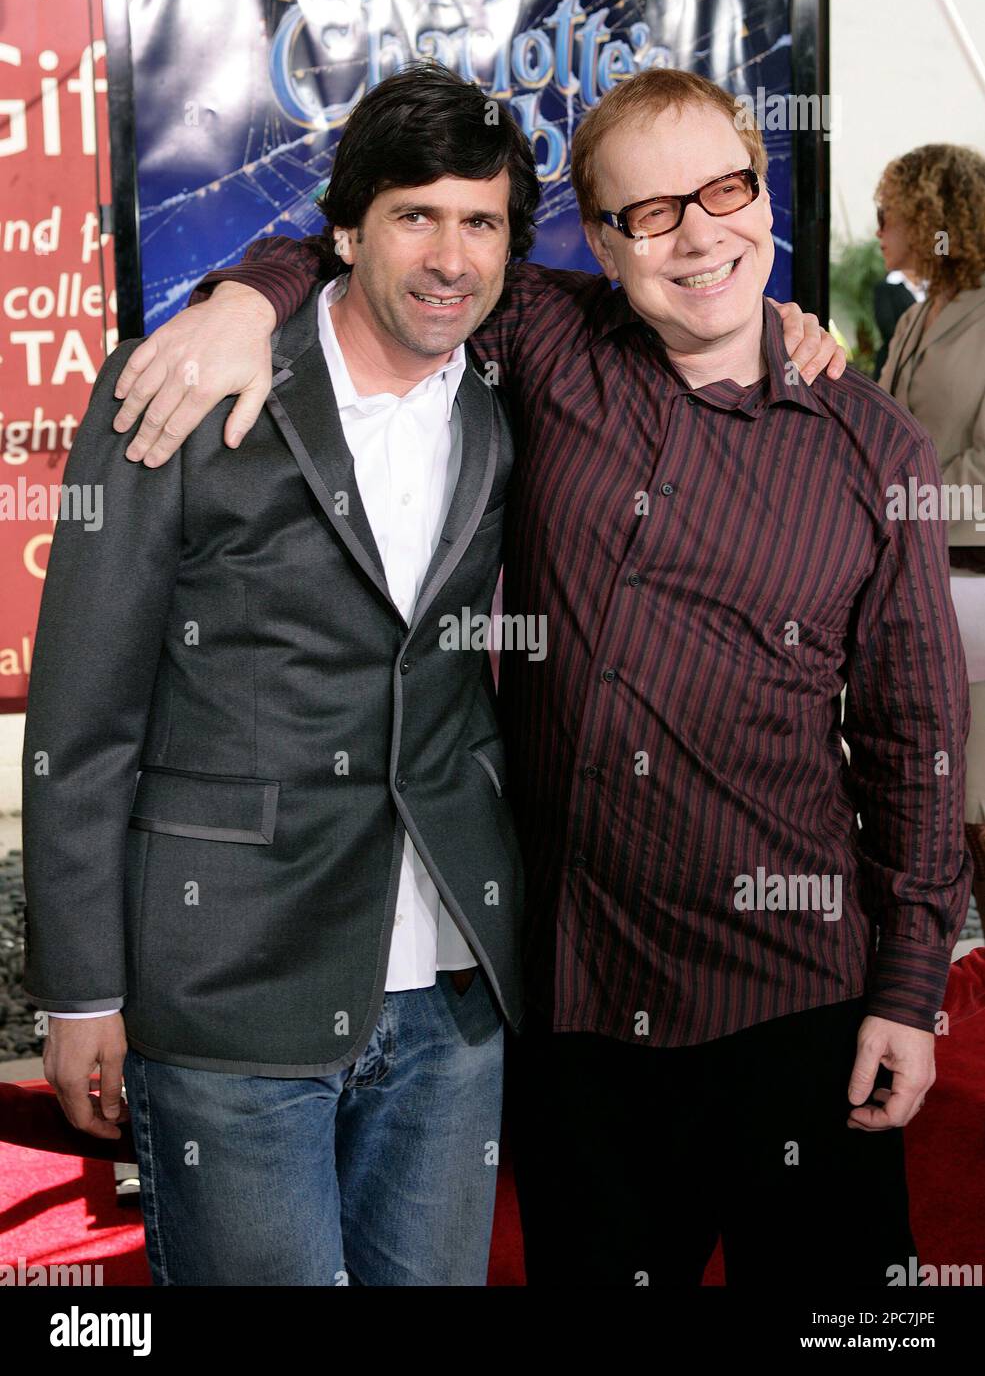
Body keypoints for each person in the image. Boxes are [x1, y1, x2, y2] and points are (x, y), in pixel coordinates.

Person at [109, 66, 968, 1288]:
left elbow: (914, 733)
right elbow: (383, 246)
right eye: (649, 213)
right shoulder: (544, 338)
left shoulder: (875, 444)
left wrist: (907, 984)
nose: (698, 233)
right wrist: (248, 298)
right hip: (578, 1014)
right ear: (599, 246)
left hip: (800, 1002)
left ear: (764, 196)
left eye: (724, 190)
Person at [22, 63, 535, 1286]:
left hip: (453, 986)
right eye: (416, 215)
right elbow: (83, 714)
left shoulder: (513, 405)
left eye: (482, 221)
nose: (451, 257)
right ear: (347, 227)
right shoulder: (185, 388)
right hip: (230, 982)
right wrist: (79, 990)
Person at [876, 143, 985, 928]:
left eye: (890, 212)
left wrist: (893, 508)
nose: (879, 229)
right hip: (915, 587)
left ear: (931, 217)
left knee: (976, 805)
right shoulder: (917, 313)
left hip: (972, 591)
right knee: (932, 804)